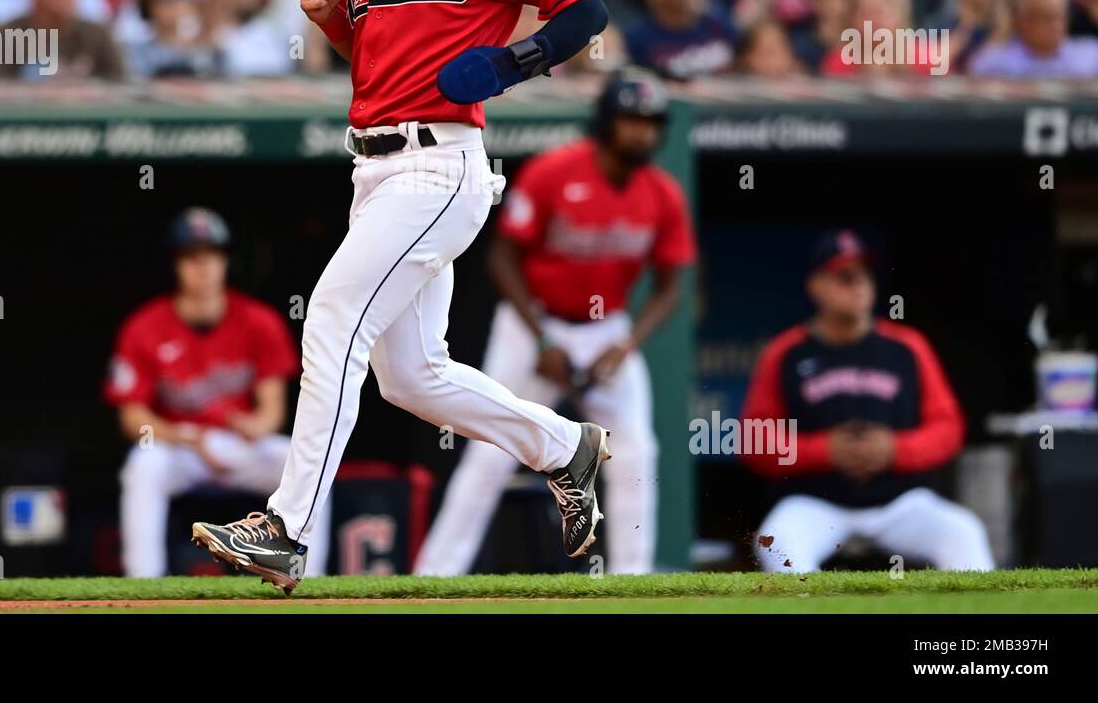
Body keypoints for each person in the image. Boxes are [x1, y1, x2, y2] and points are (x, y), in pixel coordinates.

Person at [191, 0, 612, 594]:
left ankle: (285, 526)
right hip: (376, 164)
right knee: (412, 377)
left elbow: (586, 10)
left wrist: (511, 62)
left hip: (441, 165)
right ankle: (566, 447)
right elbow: (383, 65)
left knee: (332, 320)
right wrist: (335, 21)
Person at [415, 71, 695, 576]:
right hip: (533, 326)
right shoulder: (555, 171)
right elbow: (502, 257)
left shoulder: (663, 193)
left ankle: (633, 577)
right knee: (489, 454)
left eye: (650, 123)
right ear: (608, 120)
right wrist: (542, 338)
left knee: (635, 452)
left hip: (607, 330)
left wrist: (628, 343)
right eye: (632, 121)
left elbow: (672, 285)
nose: (642, 133)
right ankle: (435, 574)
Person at [740, 230, 994, 573]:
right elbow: (754, 441)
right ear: (816, 285)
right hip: (816, 501)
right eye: (844, 276)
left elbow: (948, 427)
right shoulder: (785, 352)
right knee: (776, 542)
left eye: (863, 274)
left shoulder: (907, 346)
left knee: (964, 532)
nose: (857, 284)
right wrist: (824, 451)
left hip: (900, 502)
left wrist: (896, 449)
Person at [105, 208, 329, 578]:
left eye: (211, 255)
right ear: (177, 264)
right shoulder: (144, 326)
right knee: (143, 466)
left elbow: (272, 411)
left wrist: (255, 427)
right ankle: (142, 583)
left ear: (225, 260)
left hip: (238, 446)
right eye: (192, 257)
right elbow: (133, 419)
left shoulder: (259, 321)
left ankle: (304, 575)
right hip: (183, 447)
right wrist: (188, 437)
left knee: (302, 459)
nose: (203, 267)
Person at [970, 0, 1098, 78]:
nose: (1054, 24)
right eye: (1043, 16)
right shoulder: (996, 64)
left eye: (1058, 15)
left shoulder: (1091, 57)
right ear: (1021, 21)